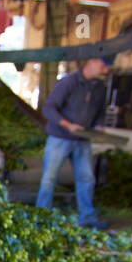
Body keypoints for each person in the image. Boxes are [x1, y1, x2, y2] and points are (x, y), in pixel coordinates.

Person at [35, 56, 112, 228]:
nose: (105, 71)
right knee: (49, 178)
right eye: (103, 66)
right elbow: (49, 109)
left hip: (82, 140)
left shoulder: (99, 87)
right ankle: (42, 216)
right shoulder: (68, 82)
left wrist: (99, 125)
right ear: (91, 62)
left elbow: (100, 111)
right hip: (59, 138)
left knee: (87, 179)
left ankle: (87, 218)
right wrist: (67, 125)